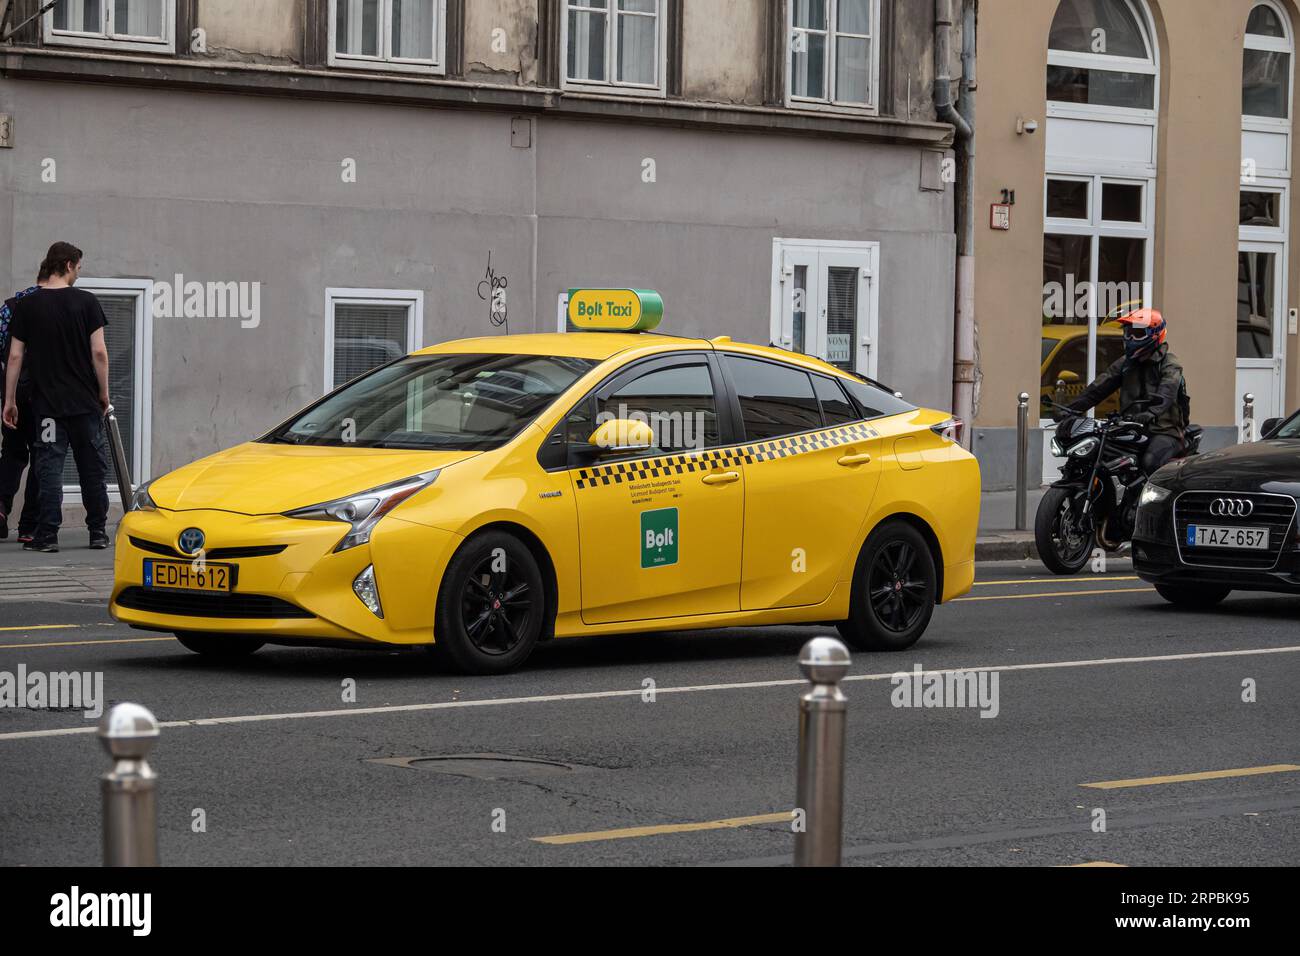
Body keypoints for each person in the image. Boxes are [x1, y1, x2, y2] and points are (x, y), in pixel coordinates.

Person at [1, 242, 111, 552]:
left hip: (47, 406)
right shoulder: (87, 303)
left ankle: (47, 535)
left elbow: (15, 357)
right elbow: (99, 353)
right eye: (78, 267)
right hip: (85, 404)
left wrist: (9, 400)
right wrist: (103, 393)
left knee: (49, 470)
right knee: (92, 469)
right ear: (66, 264)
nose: (78, 273)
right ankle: (98, 533)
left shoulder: (28, 306)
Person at [1063, 307, 1189, 476]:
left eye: (1137, 334)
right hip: (1130, 427)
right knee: (1095, 455)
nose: (1130, 338)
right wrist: (1071, 409)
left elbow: (1167, 391)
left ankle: (1152, 501)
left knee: (1150, 462)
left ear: (1155, 333)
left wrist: (1151, 412)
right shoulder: (1126, 363)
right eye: (1128, 333)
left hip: (1164, 431)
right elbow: (1099, 387)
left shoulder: (1169, 363)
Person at [0, 269, 48, 541]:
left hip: (13, 392)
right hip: (45, 394)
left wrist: (6, 395)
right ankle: (29, 525)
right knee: (44, 454)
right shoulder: (54, 307)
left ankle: (1, 506)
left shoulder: (9, 307)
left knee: (13, 452)